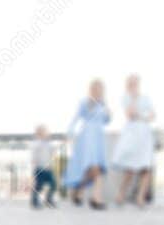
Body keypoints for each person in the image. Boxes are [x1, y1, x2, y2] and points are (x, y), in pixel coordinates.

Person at [64, 80, 110, 208]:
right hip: (87, 137)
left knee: (94, 169)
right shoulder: (85, 102)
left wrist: (107, 110)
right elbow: (75, 118)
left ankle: (78, 191)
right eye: (96, 88)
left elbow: (106, 121)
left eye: (100, 88)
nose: (98, 91)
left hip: (98, 138)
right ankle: (96, 199)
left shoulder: (103, 104)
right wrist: (70, 134)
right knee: (94, 168)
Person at [112, 74, 157, 207]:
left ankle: (140, 198)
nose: (133, 85)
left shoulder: (146, 98)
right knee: (130, 168)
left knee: (146, 167)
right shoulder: (125, 98)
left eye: (135, 82)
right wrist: (142, 113)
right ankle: (120, 195)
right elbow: (130, 114)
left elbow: (153, 115)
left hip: (145, 135)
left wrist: (142, 116)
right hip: (132, 135)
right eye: (131, 83)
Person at [29, 125, 56, 208]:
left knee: (53, 184)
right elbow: (34, 156)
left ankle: (49, 199)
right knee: (38, 186)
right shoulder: (36, 144)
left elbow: (52, 153)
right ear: (38, 134)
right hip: (39, 168)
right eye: (44, 132)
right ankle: (34, 201)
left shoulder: (49, 144)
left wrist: (51, 165)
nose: (47, 134)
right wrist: (34, 165)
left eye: (47, 132)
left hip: (48, 168)